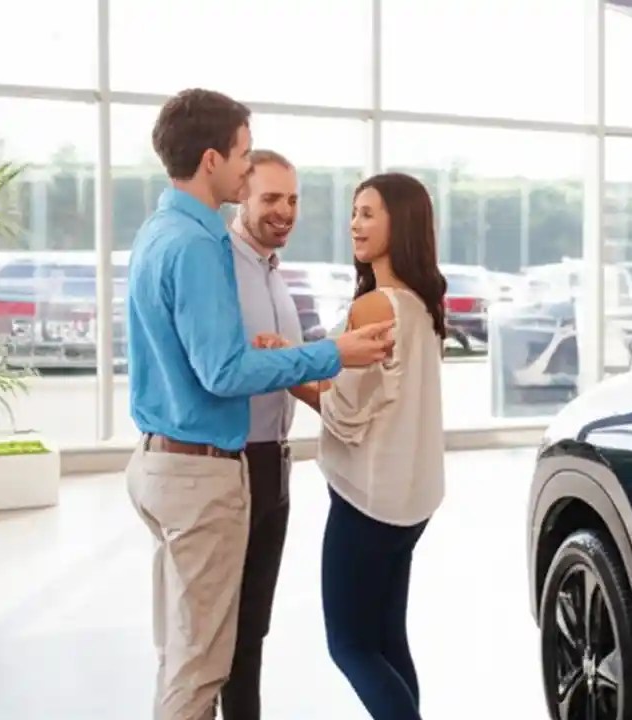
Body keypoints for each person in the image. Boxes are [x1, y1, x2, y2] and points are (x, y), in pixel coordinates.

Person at [124, 88, 396, 720]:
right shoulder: (198, 245)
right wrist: (333, 353)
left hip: (166, 464)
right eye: (245, 159)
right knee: (201, 669)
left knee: (184, 655)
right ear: (213, 158)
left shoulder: (159, 231)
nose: (249, 173)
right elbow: (224, 371)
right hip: (201, 471)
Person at [263, 172, 446, 719]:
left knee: (350, 644)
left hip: (368, 500)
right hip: (411, 503)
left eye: (368, 213)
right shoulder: (424, 302)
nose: (355, 224)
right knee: (387, 638)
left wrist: (284, 367)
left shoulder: (376, 306)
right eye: (354, 212)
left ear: (401, 222)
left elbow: (343, 412)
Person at [218, 149, 305, 720]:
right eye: (271, 198)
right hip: (232, 463)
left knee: (253, 627)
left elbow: (287, 367)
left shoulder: (273, 273)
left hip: (276, 461)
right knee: (220, 632)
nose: (285, 211)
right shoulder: (220, 267)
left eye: (293, 200)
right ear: (242, 197)